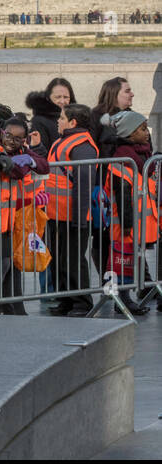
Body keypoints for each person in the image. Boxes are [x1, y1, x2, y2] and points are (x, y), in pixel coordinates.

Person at [0, 108, 47, 315]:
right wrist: (1, 160)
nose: (12, 141)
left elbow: (42, 165)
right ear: (2, 131)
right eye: (9, 136)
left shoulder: (19, 150)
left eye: (18, 139)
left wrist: (29, 160)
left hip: (5, 219)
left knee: (5, 263)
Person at [46, 103, 98, 317]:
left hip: (72, 215)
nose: (58, 120)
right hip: (57, 213)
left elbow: (83, 182)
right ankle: (66, 300)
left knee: (74, 260)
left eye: (61, 117)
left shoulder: (82, 144)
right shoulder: (64, 141)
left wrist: (79, 218)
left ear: (73, 122)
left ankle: (82, 303)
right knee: (59, 260)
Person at [103, 110, 158, 315]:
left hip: (137, 225)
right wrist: (127, 224)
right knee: (122, 264)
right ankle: (123, 299)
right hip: (126, 225)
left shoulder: (141, 155)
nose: (147, 132)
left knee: (131, 262)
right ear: (129, 133)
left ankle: (130, 296)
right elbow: (123, 196)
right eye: (142, 129)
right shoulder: (123, 160)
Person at [25, 78, 76, 157]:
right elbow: (40, 153)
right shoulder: (38, 121)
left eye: (66, 97)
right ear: (48, 97)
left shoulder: (76, 117)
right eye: (58, 97)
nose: (62, 101)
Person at [91, 77, 133, 153]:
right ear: (114, 93)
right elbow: (91, 145)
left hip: (132, 163)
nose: (132, 94)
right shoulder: (95, 115)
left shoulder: (133, 116)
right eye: (127, 91)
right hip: (106, 163)